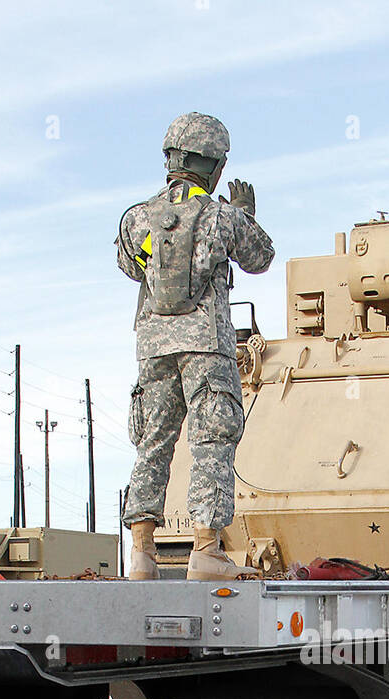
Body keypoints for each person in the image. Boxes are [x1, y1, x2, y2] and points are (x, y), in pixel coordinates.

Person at [118, 112, 274, 580]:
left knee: (153, 444)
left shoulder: (136, 217)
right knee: (211, 441)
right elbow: (261, 257)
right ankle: (206, 551)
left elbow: (129, 266)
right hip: (206, 346)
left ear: (171, 159)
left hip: (154, 347)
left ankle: (142, 554)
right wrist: (245, 215)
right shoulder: (221, 216)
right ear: (214, 166)